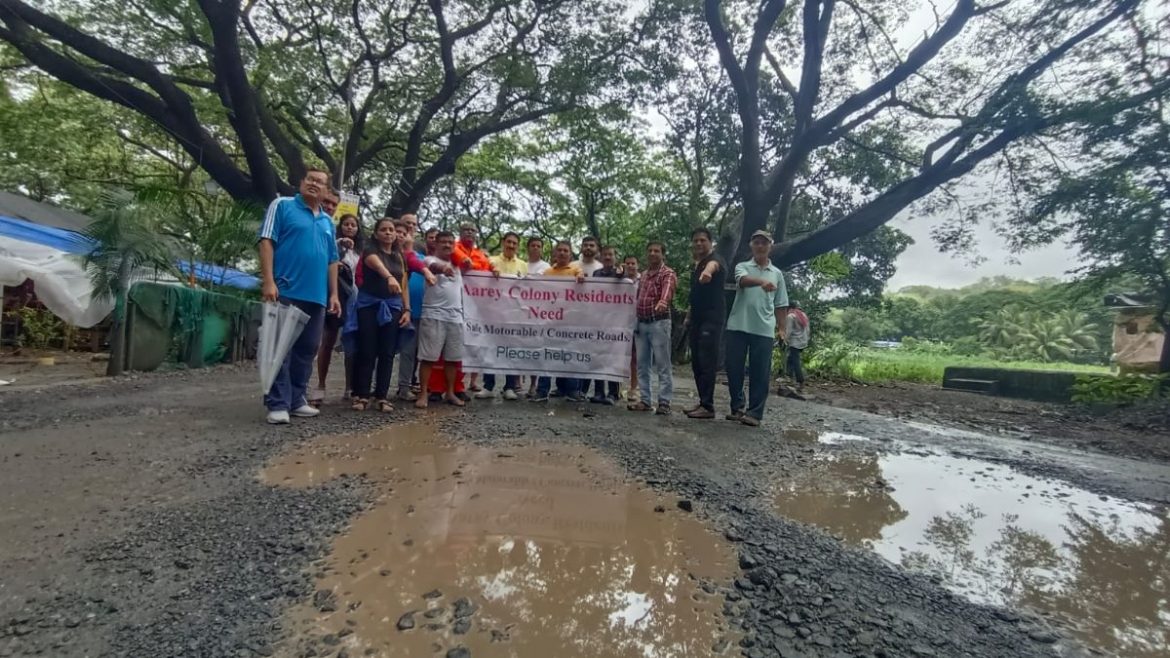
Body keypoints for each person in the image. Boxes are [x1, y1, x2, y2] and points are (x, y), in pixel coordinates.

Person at [258, 168, 341, 425]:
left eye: (320, 183)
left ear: (327, 191)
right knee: (279, 348)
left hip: (316, 295)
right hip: (286, 288)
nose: (314, 184)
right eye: (310, 180)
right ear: (301, 182)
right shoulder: (282, 205)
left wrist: (334, 294)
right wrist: (269, 281)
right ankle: (277, 403)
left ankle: (296, 399)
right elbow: (266, 241)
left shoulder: (327, 222)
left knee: (307, 349)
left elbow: (332, 260)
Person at [725, 230, 788, 427]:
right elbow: (742, 281)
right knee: (733, 367)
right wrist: (761, 282)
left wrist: (782, 329)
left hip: (763, 328)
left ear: (770, 246)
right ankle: (737, 407)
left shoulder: (777, 274)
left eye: (764, 243)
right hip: (738, 325)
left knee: (760, 372)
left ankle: (755, 413)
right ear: (751, 245)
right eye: (757, 242)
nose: (760, 246)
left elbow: (781, 304)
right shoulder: (742, 267)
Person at [349, 218, 412, 412]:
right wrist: (389, 277)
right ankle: (361, 394)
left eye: (391, 230)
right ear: (376, 234)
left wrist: (407, 309)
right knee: (367, 349)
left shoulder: (399, 256)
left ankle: (382, 396)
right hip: (369, 305)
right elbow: (376, 265)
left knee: (387, 352)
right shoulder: (370, 251)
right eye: (383, 230)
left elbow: (403, 285)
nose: (388, 233)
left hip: (392, 306)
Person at [310, 213, 363, 406]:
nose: (350, 228)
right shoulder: (332, 245)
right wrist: (339, 249)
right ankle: (321, 384)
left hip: (355, 299)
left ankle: (350, 386)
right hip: (336, 296)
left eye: (354, 225)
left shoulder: (361, 252)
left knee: (351, 343)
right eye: (346, 224)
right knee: (328, 340)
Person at [416, 231, 466, 408]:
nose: (447, 245)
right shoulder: (429, 260)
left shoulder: (458, 265)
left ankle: (450, 392)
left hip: (456, 316)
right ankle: (423, 394)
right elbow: (434, 268)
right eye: (443, 242)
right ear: (435, 244)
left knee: (453, 359)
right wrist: (443, 269)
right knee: (428, 357)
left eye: (450, 242)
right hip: (434, 315)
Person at [532, 241, 586, 403]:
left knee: (570, 356)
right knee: (547, 356)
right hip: (550, 322)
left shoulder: (576, 270)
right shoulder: (547, 273)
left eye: (566, 251)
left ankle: (572, 391)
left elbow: (582, 280)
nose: (562, 253)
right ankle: (542, 391)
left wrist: (581, 277)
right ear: (555, 254)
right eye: (560, 250)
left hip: (570, 323)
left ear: (570, 254)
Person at [683, 228, 727, 419]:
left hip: (712, 318)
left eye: (702, 240)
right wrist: (688, 315)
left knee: (707, 360)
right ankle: (703, 402)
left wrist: (708, 272)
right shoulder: (698, 264)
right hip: (697, 319)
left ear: (711, 242)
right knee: (697, 363)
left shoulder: (714, 259)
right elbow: (696, 295)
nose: (699, 243)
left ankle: (708, 406)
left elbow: (714, 266)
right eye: (696, 241)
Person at [628, 242, 676, 415]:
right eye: (650, 251)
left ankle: (664, 402)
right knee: (642, 364)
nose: (653, 253)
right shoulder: (644, 275)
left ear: (663, 254)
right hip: (641, 322)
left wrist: (663, 302)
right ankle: (646, 400)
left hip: (659, 322)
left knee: (663, 363)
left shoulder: (667, 273)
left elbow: (667, 291)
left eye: (657, 251)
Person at [480, 232, 527, 400]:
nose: (511, 245)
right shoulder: (491, 261)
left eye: (515, 243)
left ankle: (509, 387)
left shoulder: (523, 265)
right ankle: (488, 386)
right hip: (492, 314)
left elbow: (527, 290)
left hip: (513, 316)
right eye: (509, 242)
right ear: (502, 242)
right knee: (490, 349)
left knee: (510, 352)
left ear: (518, 246)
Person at [396, 216, 432, 401]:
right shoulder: (388, 254)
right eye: (405, 225)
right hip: (393, 308)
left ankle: (405, 386)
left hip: (417, 310)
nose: (409, 227)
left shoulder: (421, 258)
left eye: (413, 224)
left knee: (412, 352)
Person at [588, 245, 625, 405]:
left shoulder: (619, 273)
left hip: (615, 323)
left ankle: (613, 393)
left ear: (615, 256)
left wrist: (621, 273)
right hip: (598, 321)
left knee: (613, 358)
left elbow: (624, 277)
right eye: (605, 255)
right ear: (600, 257)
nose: (608, 257)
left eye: (611, 254)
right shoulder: (596, 274)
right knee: (598, 357)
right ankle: (598, 392)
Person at [622, 255, 641, 402]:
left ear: (637, 265)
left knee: (635, 357)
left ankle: (634, 388)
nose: (630, 266)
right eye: (627, 263)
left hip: (639, 322)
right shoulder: (620, 281)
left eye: (633, 263)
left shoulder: (644, 280)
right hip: (620, 323)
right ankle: (617, 388)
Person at [783, 300, 809, 392]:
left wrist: (784, 339)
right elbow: (807, 330)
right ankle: (789, 377)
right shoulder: (803, 315)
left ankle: (800, 381)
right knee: (791, 358)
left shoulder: (790, 316)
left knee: (795, 362)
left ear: (789, 308)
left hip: (795, 342)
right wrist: (805, 340)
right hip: (802, 341)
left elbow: (789, 331)